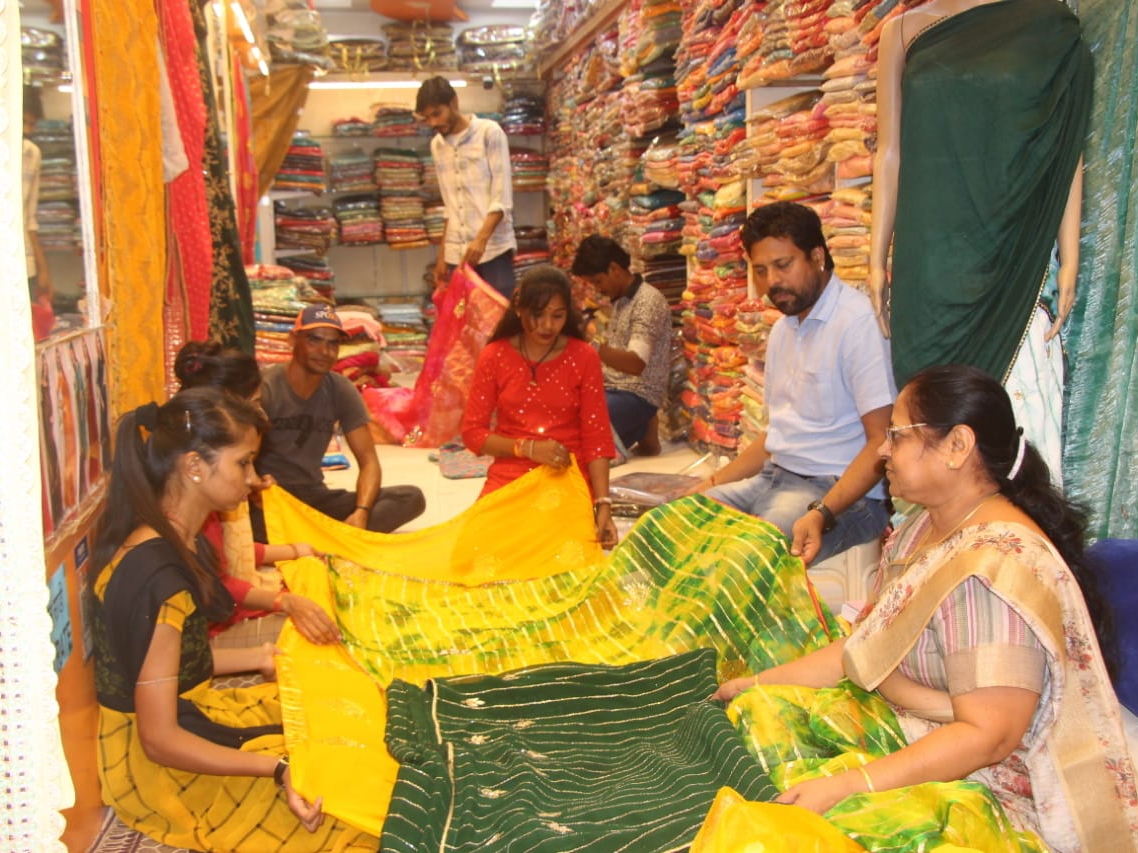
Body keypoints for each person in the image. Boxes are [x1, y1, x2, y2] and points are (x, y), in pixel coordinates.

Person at [714, 364, 1138, 853]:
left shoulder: (993, 565)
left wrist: (851, 784)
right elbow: (866, 645)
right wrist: (758, 683)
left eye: (896, 435)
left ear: (957, 446)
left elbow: (989, 739)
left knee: (811, 828)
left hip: (994, 794)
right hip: (923, 729)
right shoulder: (927, 526)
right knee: (760, 713)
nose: (882, 450)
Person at [90, 387, 376, 851]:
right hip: (161, 770)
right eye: (243, 462)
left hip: (185, 710)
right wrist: (278, 770)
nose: (253, 477)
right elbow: (159, 740)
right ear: (194, 467)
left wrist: (263, 656)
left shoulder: (163, 540)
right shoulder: (159, 579)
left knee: (343, 717)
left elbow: (169, 664)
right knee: (350, 815)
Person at [868, 0, 1092, 473]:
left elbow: (1064, 144)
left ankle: (1018, 540)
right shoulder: (904, 30)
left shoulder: (1044, 22)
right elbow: (890, 152)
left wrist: (1069, 253)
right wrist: (875, 259)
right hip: (928, 268)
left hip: (1015, 256)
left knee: (1020, 424)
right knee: (930, 427)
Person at [694, 202, 895, 565]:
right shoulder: (783, 331)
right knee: (676, 522)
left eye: (783, 265)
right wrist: (711, 484)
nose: (772, 281)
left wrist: (821, 512)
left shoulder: (857, 324)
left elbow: (882, 442)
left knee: (744, 559)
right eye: (761, 270)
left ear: (817, 257)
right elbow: (776, 437)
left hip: (841, 494)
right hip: (774, 479)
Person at [174, 340, 339, 645]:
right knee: (332, 624)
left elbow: (227, 557)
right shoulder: (184, 514)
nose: (253, 479)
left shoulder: (201, 487)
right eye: (243, 464)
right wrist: (283, 602)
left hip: (222, 615)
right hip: (215, 631)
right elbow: (218, 584)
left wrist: (295, 550)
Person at [461, 264, 618, 547]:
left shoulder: (583, 357)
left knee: (554, 557)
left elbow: (597, 438)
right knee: (474, 553)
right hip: (510, 475)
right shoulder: (494, 356)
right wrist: (528, 449)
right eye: (538, 315)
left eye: (557, 316)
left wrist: (603, 505)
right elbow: (473, 433)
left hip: (567, 476)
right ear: (519, 310)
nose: (548, 326)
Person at [253, 304, 425, 538]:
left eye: (332, 343)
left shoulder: (340, 388)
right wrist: (255, 488)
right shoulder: (265, 388)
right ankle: (332, 539)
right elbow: (241, 460)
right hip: (269, 498)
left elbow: (369, 462)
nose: (324, 351)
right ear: (292, 340)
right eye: (314, 340)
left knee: (410, 498)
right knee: (235, 522)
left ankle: (315, 537)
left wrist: (361, 511)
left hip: (314, 497)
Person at [416, 75, 517, 299]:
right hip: (457, 255)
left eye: (436, 113)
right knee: (464, 324)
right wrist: (442, 255)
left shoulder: (489, 133)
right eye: (427, 118)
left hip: (493, 250)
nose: (433, 123)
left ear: (454, 103)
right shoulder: (437, 145)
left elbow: (502, 198)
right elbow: (449, 206)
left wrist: (480, 240)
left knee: (499, 321)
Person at [571, 235, 672, 456]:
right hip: (613, 390)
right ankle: (643, 429)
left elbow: (636, 363)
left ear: (614, 269)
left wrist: (591, 343)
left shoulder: (647, 302)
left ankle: (644, 421)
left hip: (637, 395)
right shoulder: (622, 300)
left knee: (579, 439)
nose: (597, 290)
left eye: (598, 281)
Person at [24, 85, 54, 341]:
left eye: (32, 124)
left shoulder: (31, 154)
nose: (28, 131)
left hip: (25, 266)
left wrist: (43, 269)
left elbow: (28, 218)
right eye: (24, 122)